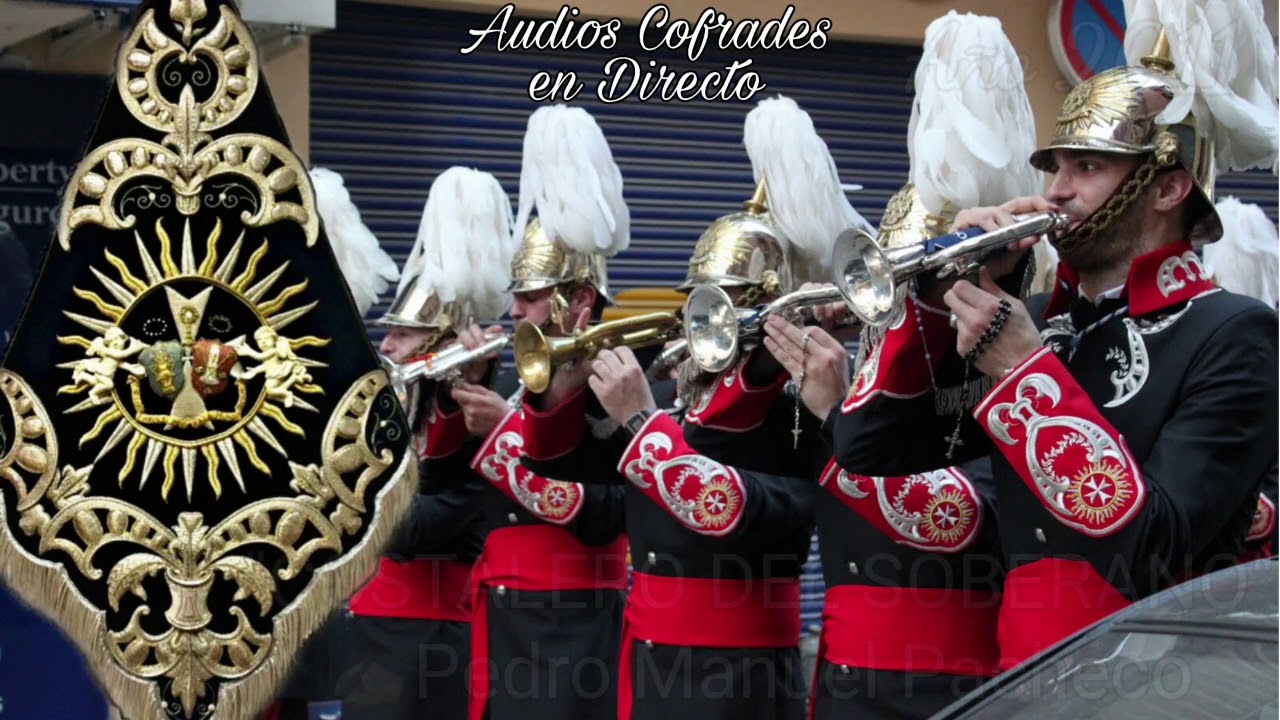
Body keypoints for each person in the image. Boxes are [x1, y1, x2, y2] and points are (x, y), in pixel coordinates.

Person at [770, 0, 1279, 672]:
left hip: (1157, 683)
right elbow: (871, 447)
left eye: (1087, 167)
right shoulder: (1037, 316)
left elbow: (1160, 543)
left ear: (1168, 187)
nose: (1057, 191)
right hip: (1025, 675)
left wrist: (1026, 372)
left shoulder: (1232, 330)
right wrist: (940, 292)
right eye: (1056, 166)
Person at [517, 95, 869, 720]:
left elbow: (731, 509)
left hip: (736, 680)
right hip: (652, 659)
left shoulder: (795, 405)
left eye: (723, 302)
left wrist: (638, 422)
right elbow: (557, 459)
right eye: (698, 302)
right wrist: (566, 375)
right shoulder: (678, 398)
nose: (702, 321)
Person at [456, 104, 631, 720]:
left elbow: (613, 510)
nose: (515, 312)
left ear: (579, 297)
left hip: (572, 623)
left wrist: (503, 433)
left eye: (529, 298)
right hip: (510, 613)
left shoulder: (616, 373)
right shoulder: (522, 380)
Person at [323, 165, 517, 720]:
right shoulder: (394, 410)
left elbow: (439, 521)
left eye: (403, 334)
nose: (388, 342)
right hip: (370, 625)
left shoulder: (476, 413)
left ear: (438, 342)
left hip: (434, 632)